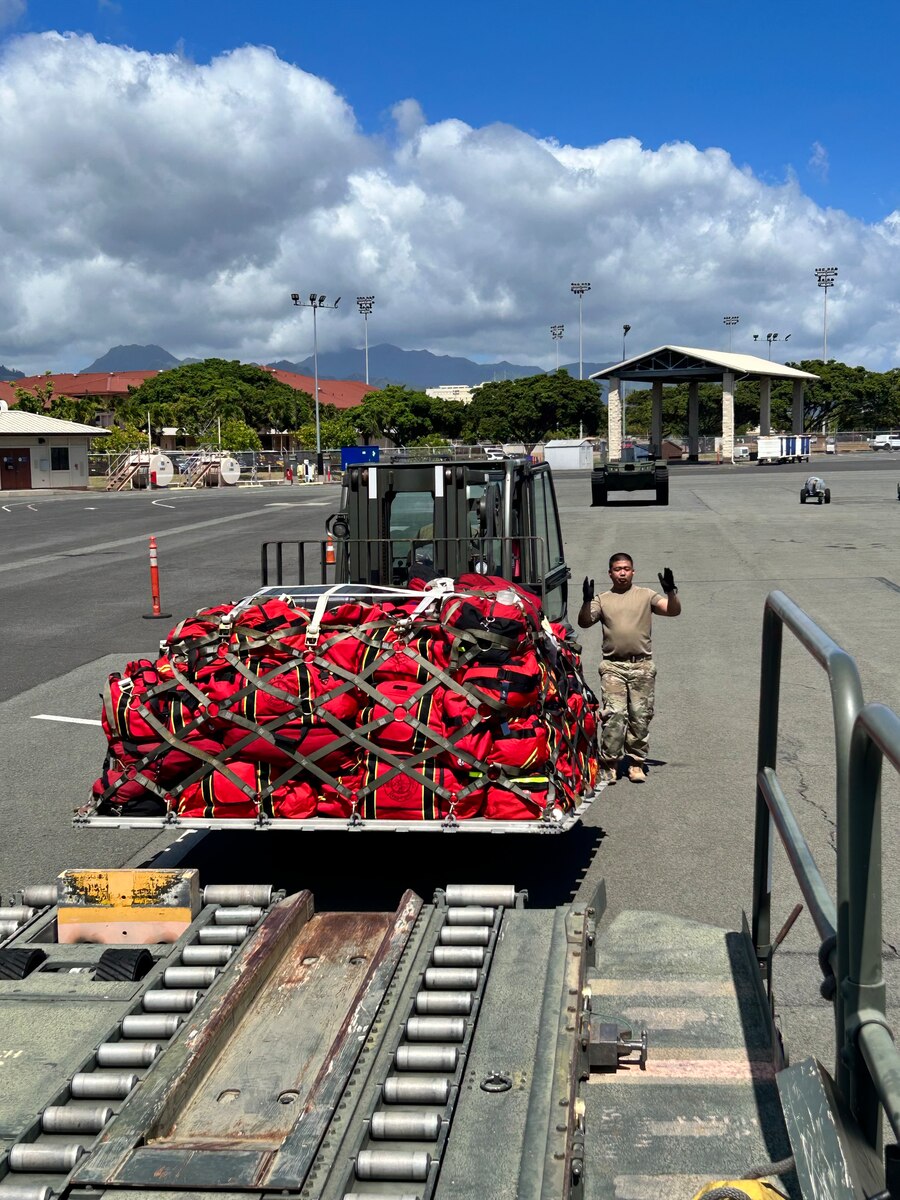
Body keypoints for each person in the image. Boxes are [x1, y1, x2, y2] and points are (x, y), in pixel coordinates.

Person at [578, 552, 681, 784]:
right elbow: (584, 621)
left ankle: (636, 763)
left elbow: (673, 610)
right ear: (610, 573)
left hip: (641, 666)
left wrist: (671, 591)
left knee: (640, 716)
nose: (622, 573)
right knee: (614, 714)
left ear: (633, 571)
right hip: (613, 666)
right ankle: (610, 764)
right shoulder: (602, 599)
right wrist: (586, 601)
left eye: (626, 568)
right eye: (617, 569)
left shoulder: (646, 595)